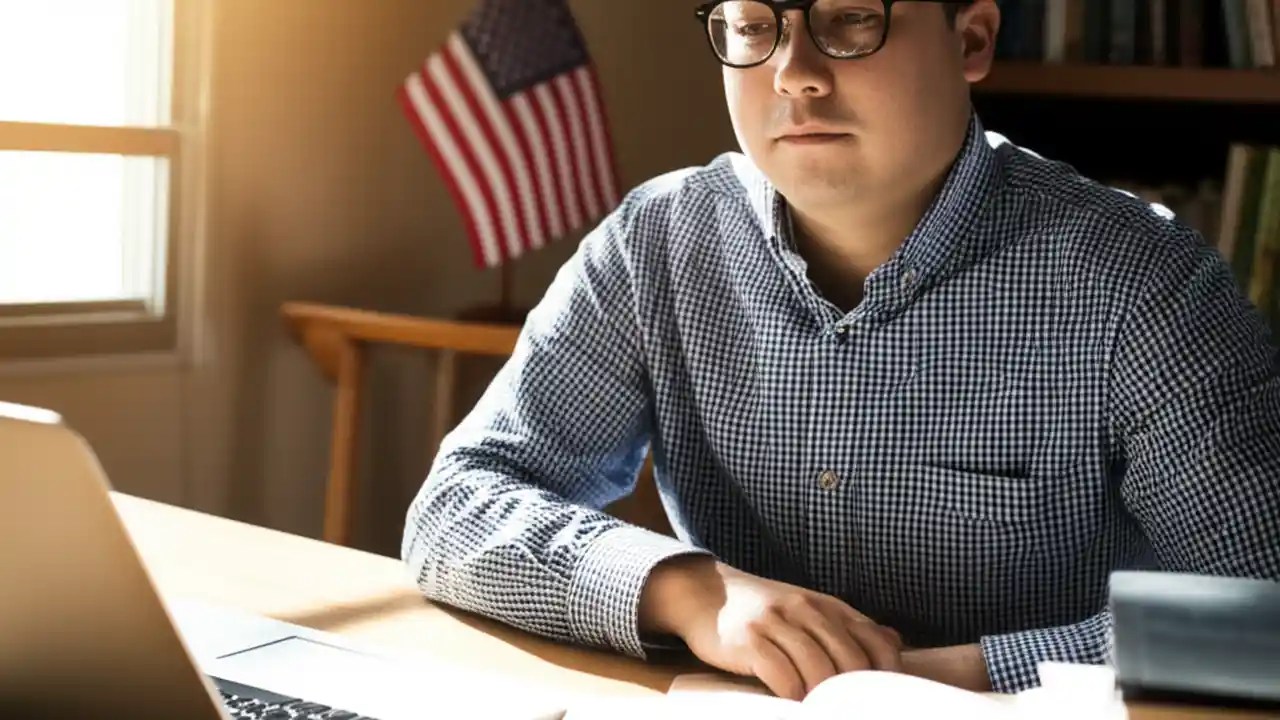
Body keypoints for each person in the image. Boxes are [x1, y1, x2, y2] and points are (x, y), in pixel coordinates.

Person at [401, 0, 1280, 700]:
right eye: (754, 27)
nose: (795, 73)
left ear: (970, 39)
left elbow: (1259, 614)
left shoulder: (1142, 283)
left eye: (851, 21)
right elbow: (456, 507)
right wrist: (694, 591)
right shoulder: (657, 243)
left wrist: (935, 683)